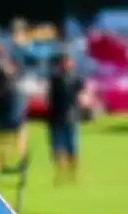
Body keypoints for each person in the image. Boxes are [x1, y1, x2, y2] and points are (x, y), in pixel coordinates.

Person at [46, 53, 85, 184]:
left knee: (73, 147)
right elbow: (50, 99)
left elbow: (83, 96)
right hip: (57, 117)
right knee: (58, 148)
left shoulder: (76, 79)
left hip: (72, 117)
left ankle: (74, 175)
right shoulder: (55, 79)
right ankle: (60, 175)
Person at [0, 53, 26, 169]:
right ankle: (4, 163)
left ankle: (19, 162)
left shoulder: (16, 79)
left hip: (16, 115)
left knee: (18, 140)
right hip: (4, 114)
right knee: (3, 141)